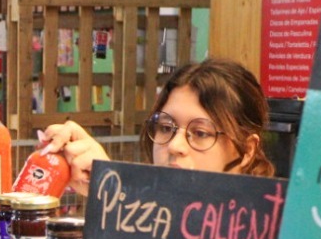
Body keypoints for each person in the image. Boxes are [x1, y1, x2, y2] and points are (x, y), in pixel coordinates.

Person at [38, 56, 277, 193]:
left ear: (247, 151)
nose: (175, 146)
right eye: (165, 128)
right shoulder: (145, 219)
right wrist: (106, 193)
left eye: (200, 133)